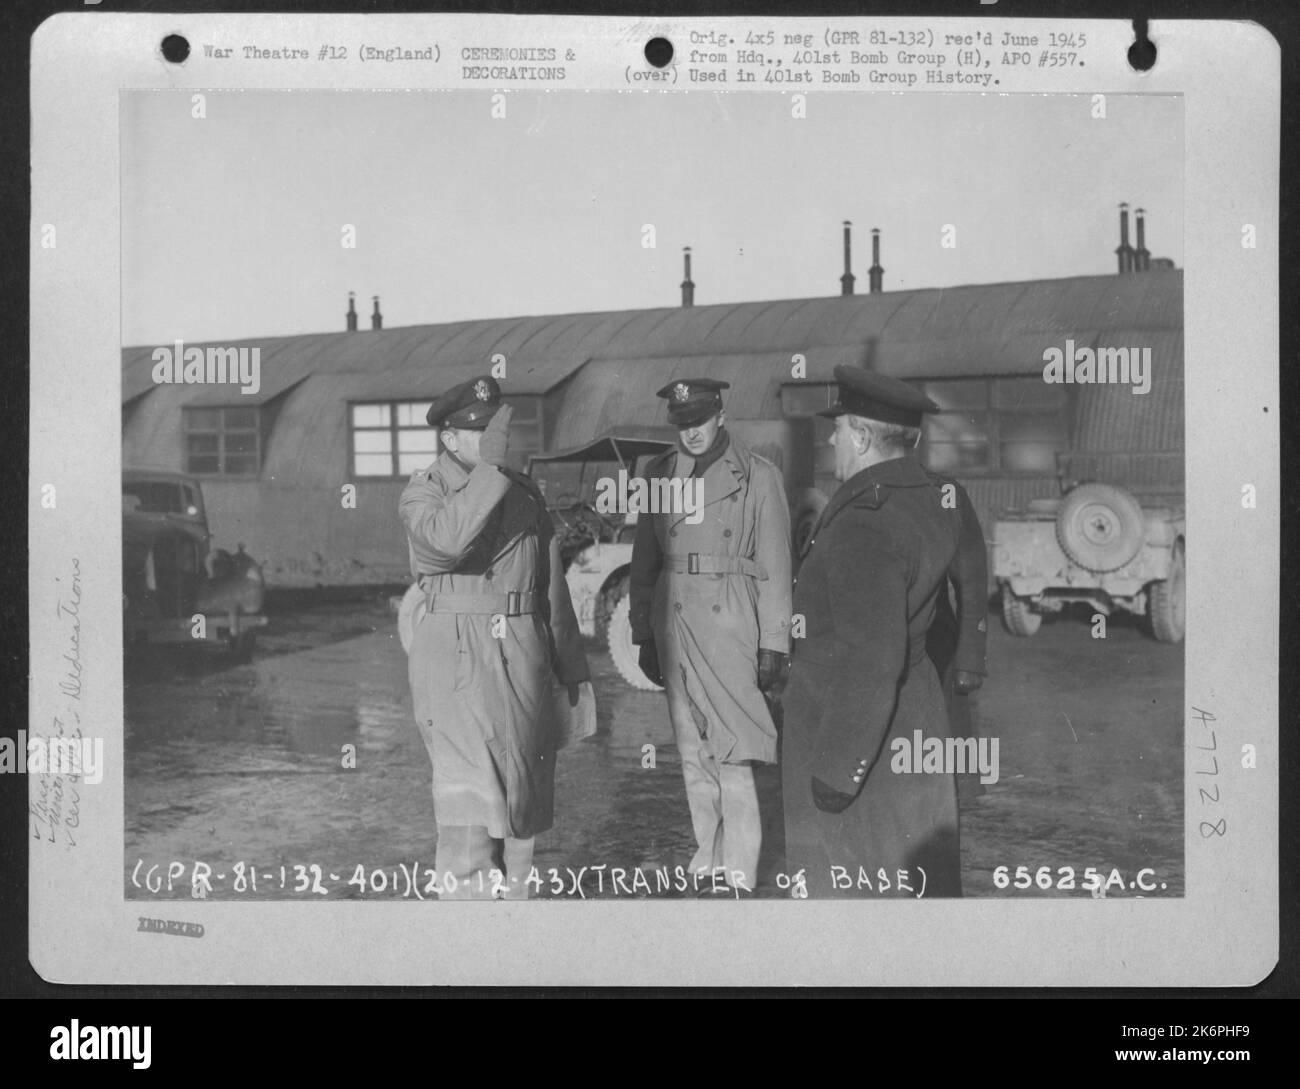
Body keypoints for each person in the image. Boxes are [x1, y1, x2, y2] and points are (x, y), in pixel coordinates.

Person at [782, 365, 977, 898]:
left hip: (856, 735)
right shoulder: (933, 496)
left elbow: (872, 659)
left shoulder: (864, 521)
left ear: (863, 438)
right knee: (912, 887)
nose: (830, 438)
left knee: (850, 900)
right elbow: (959, 595)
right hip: (915, 717)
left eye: (839, 428)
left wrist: (838, 773)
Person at [400, 375, 590, 900]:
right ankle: (468, 942)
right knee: (468, 812)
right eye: (478, 431)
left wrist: (571, 668)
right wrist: (490, 473)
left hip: (522, 652)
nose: (491, 441)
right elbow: (446, 543)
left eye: (495, 429)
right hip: (458, 657)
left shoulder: (523, 491)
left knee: (521, 802)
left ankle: (516, 932)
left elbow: (549, 586)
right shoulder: (425, 490)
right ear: (449, 439)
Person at [629, 378, 792, 896]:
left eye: (699, 421)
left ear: (720, 415)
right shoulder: (660, 475)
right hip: (673, 618)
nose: (691, 433)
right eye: (681, 425)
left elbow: (776, 564)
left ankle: (740, 874)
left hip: (730, 620)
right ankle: (710, 864)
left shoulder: (758, 477)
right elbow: (644, 561)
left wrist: (775, 643)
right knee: (693, 750)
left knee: (735, 752)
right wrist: (642, 632)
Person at [924, 478, 990, 802]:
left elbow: (972, 578)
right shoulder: (854, 495)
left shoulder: (942, 492)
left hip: (931, 648)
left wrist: (970, 657)